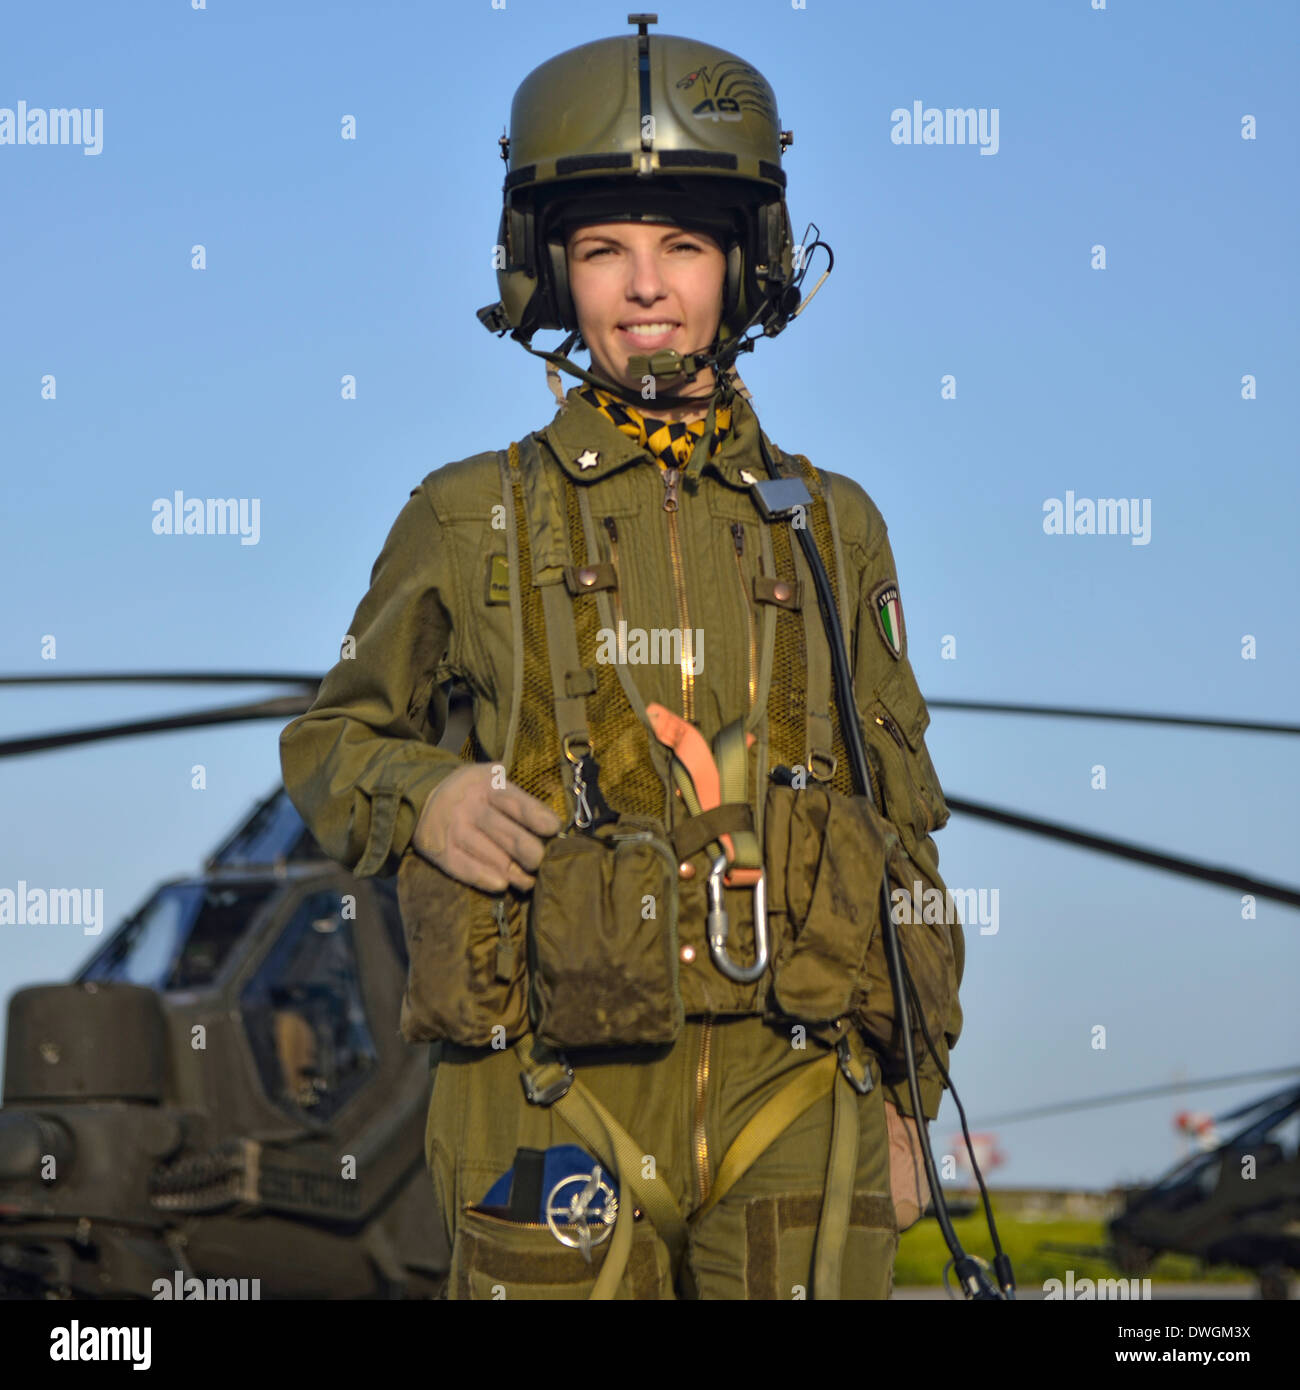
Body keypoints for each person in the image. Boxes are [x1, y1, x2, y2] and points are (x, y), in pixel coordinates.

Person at [279, 16, 963, 1300]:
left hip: (803, 1085)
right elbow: (329, 742)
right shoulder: (462, 512)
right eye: (603, 250)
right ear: (552, 274)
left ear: (744, 266)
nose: (645, 287)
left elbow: (902, 822)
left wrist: (911, 1092)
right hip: (546, 1093)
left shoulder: (836, 523)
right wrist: (424, 793)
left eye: (681, 247)